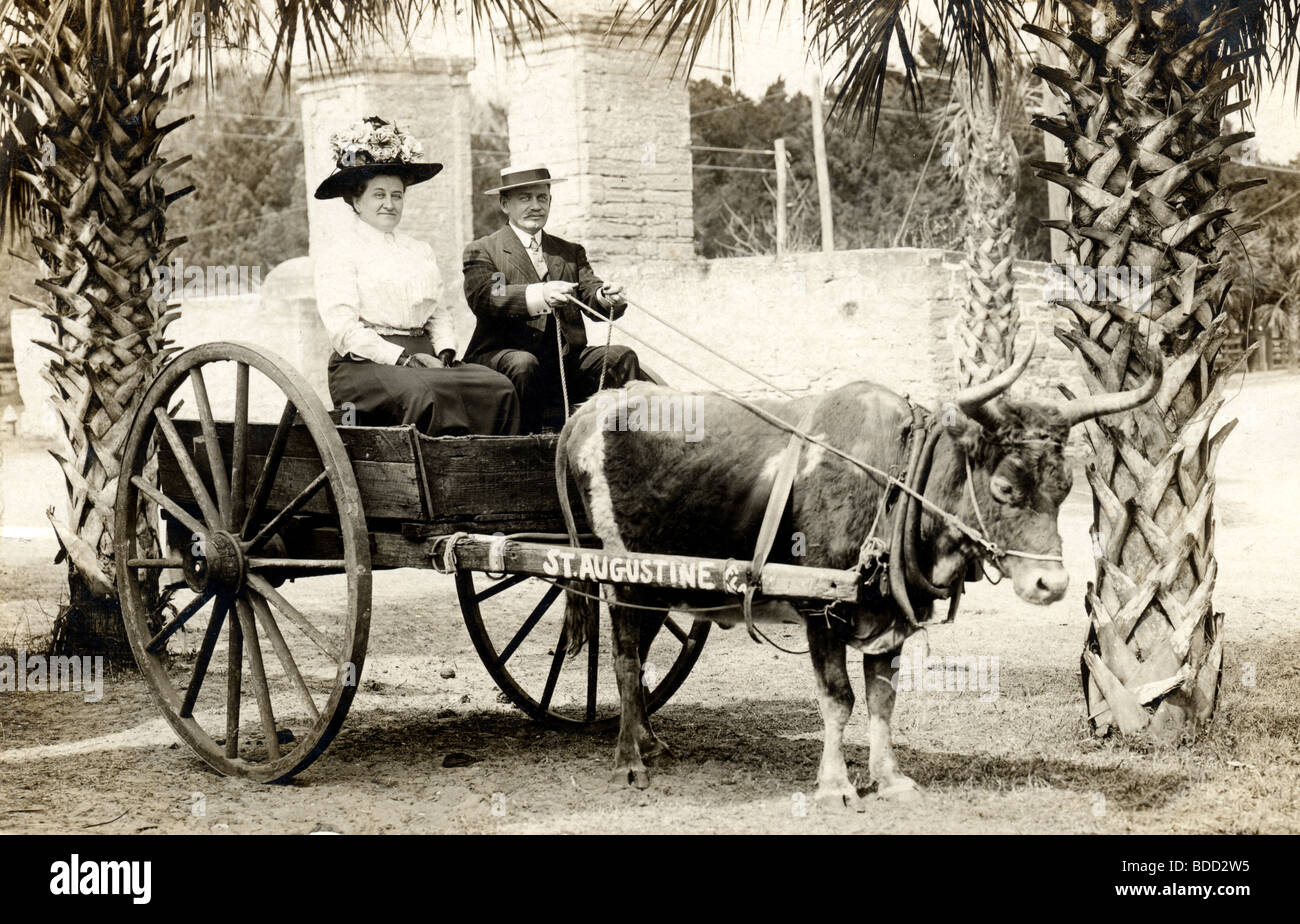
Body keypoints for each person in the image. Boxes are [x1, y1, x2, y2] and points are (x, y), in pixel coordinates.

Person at [313, 117, 520, 436]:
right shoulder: (340, 251)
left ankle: (491, 476)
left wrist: (446, 351)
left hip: (427, 358)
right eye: (378, 195)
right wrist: (404, 359)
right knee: (425, 395)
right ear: (357, 200)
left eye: (397, 196)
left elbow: (437, 312)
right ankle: (439, 480)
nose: (389, 204)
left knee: (497, 387)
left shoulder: (418, 250)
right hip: (365, 366)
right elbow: (344, 331)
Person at [462, 164, 649, 432]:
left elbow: (589, 291)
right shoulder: (485, 250)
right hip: (503, 359)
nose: (535, 206)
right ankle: (525, 450)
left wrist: (607, 297)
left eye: (542, 198)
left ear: (550, 201)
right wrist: (540, 295)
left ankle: (620, 447)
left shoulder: (568, 251)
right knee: (524, 363)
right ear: (505, 204)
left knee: (621, 356)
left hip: (564, 362)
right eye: (525, 198)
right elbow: (491, 295)